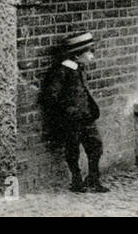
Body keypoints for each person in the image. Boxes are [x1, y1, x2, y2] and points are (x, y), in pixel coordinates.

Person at [40, 31, 108, 193]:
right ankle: (76, 180)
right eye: (89, 52)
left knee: (96, 146)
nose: (92, 56)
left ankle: (93, 178)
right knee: (73, 149)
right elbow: (50, 96)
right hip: (71, 119)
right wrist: (67, 112)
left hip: (86, 116)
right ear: (77, 55)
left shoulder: (79, 68)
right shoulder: (61, 71)